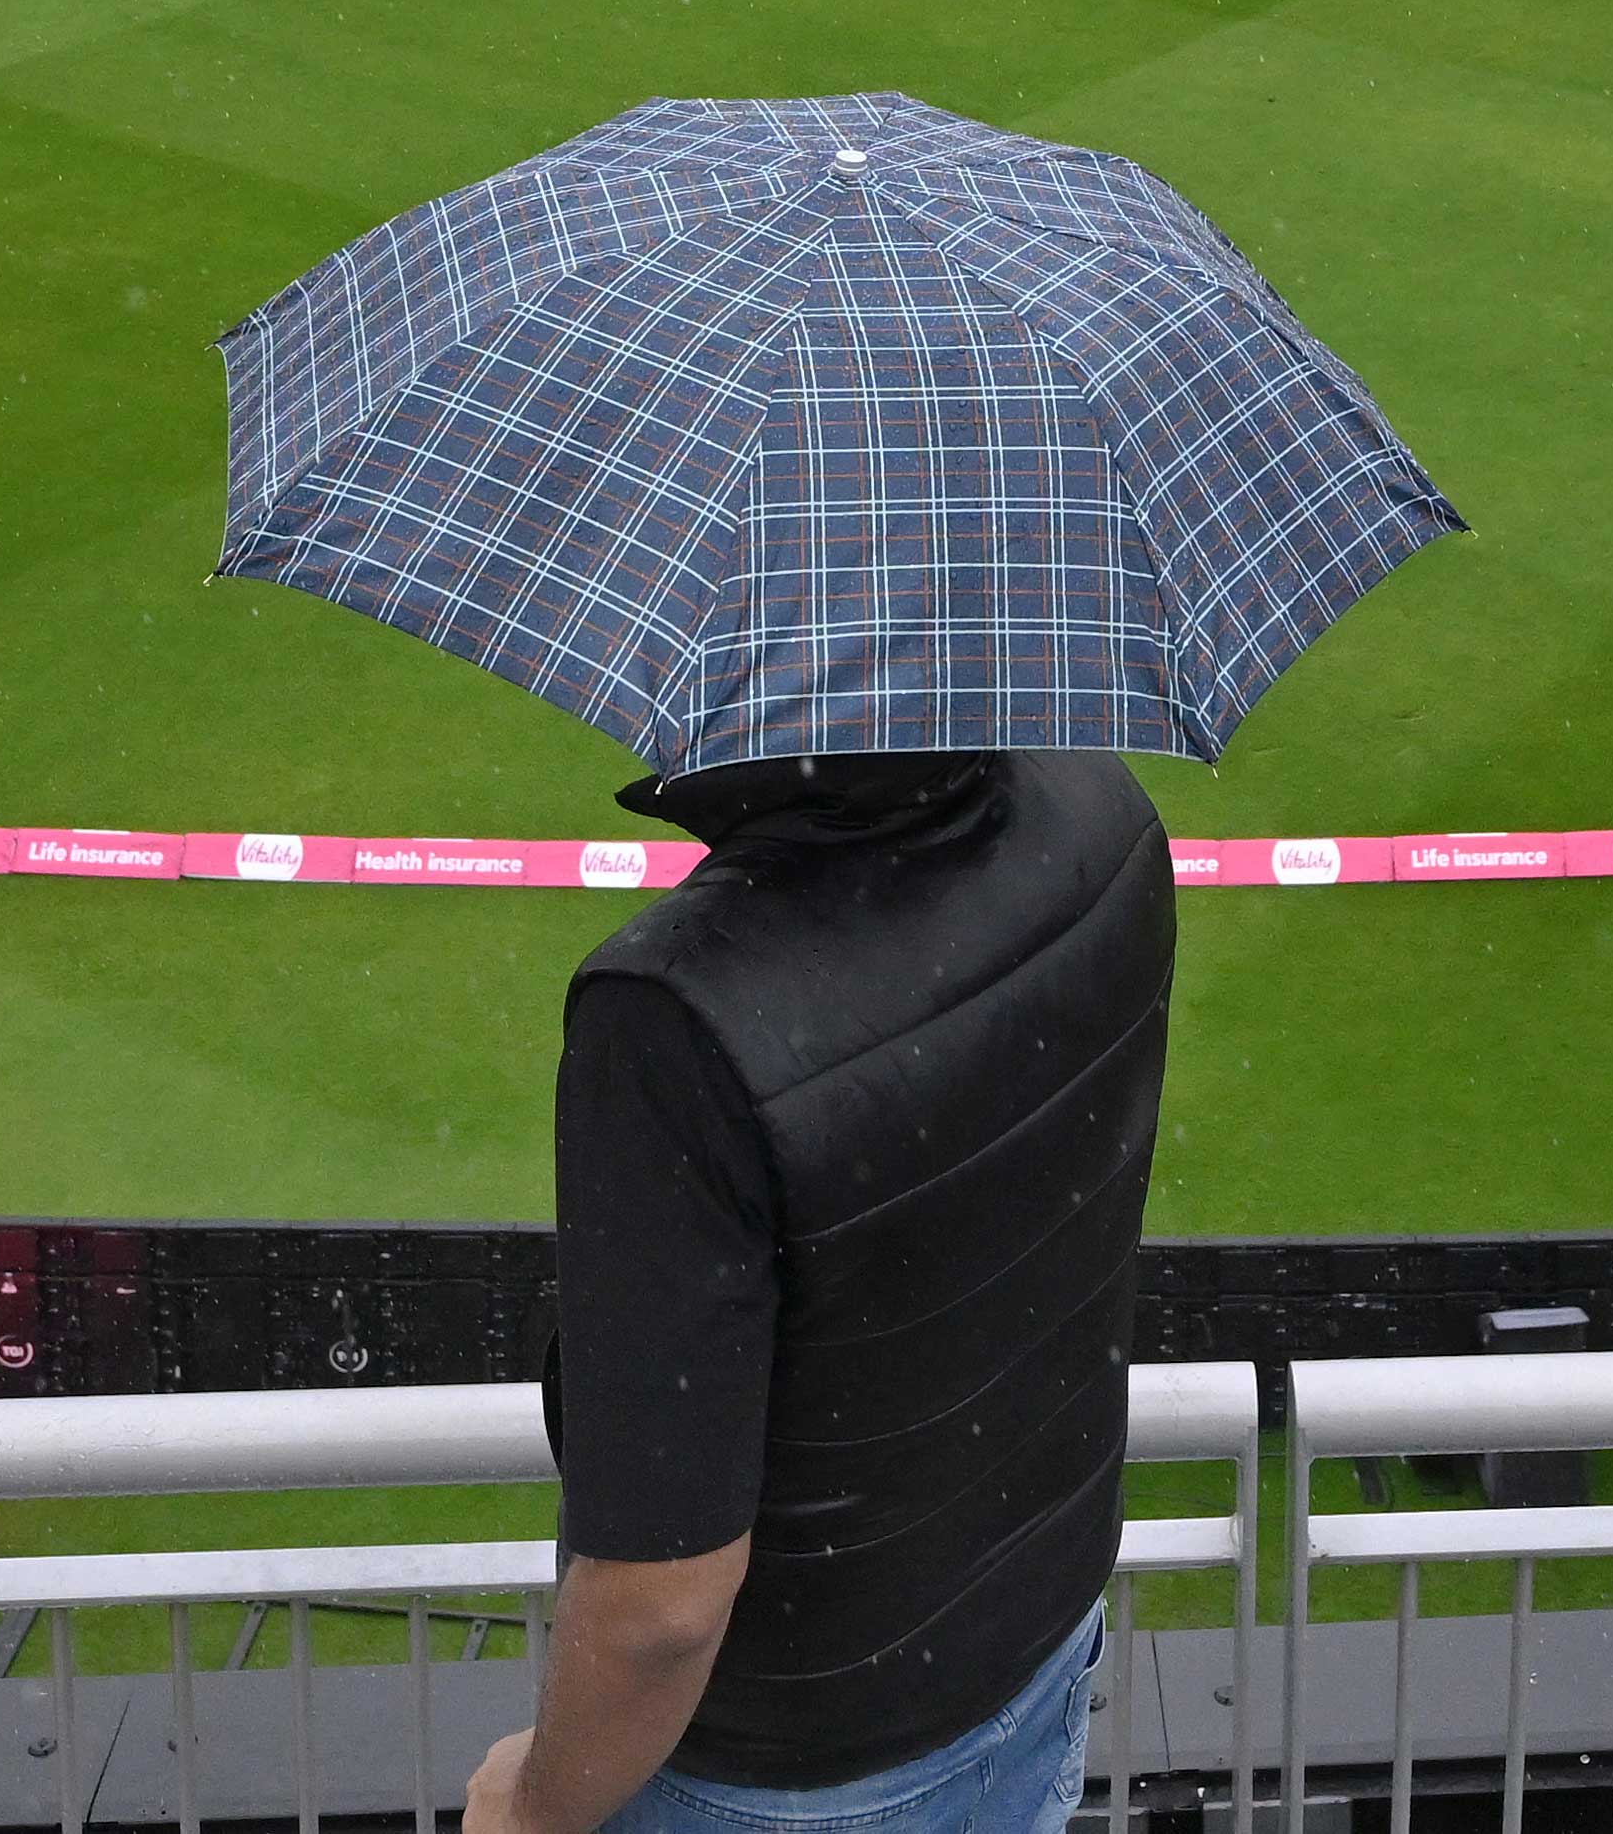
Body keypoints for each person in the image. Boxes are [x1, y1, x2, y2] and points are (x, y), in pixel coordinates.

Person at [471, 746, 1174, 1834]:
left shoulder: (670, 1019)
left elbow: (664, 1606)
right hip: (1031, 1647)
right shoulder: (1104, 808)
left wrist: (527, 1809)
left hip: (792, 1770)